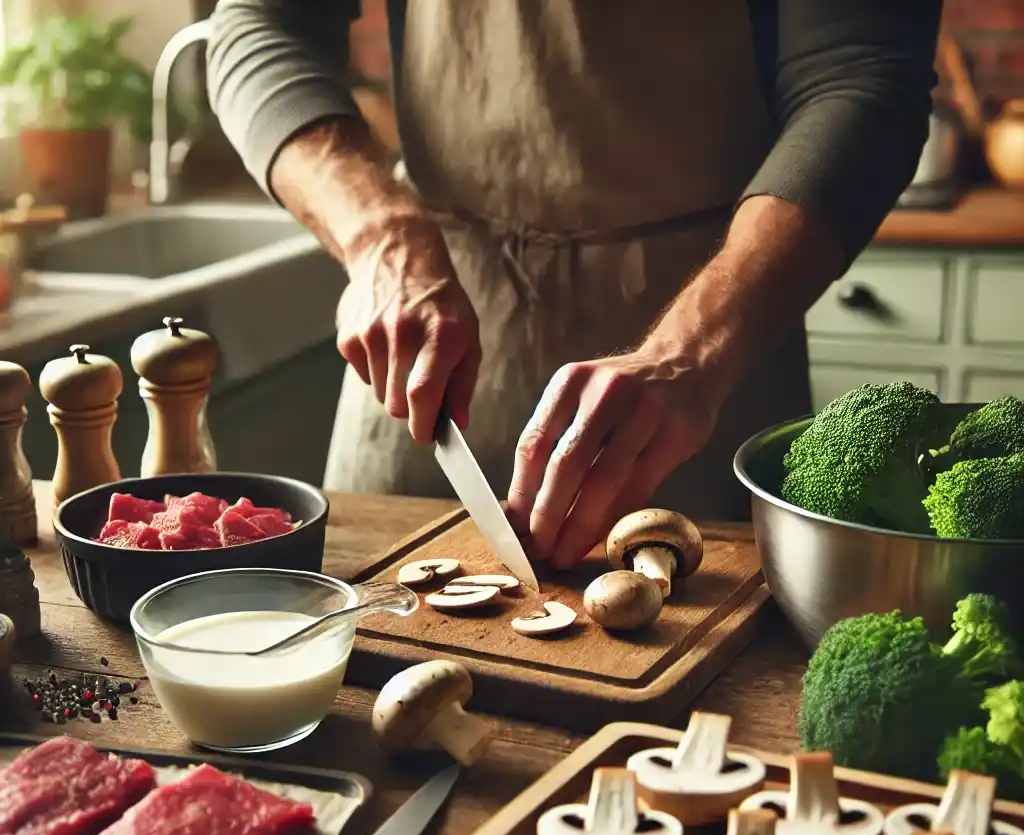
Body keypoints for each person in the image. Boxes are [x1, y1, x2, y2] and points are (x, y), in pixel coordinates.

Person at [207, 1, 942, 567]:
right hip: (429, 341)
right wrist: (378, 235)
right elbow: (258, 25)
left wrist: (693, 352)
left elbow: (862, 77)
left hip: (712, 354)